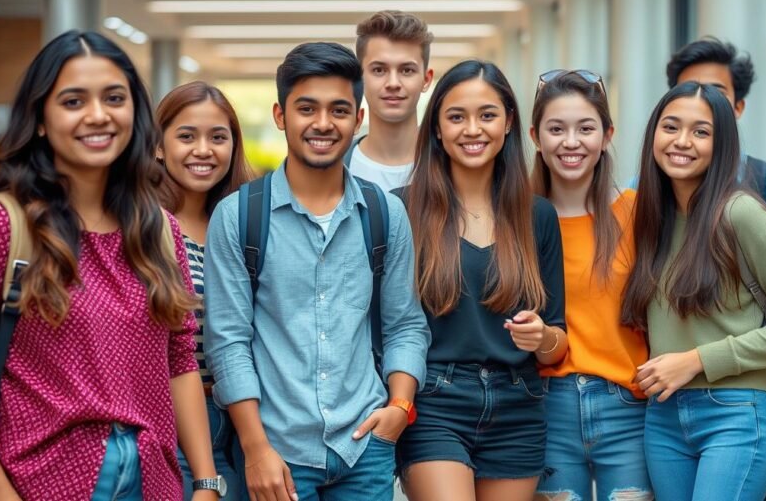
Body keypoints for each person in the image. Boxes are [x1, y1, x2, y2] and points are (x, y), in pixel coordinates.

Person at [0, 30, 220, 500]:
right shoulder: (3, 225)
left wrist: (206, 482)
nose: (98, 115)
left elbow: (179, 361)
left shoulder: (158, 229)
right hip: (42, 481)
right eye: (73, 101)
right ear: (39, 119)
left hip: (155, 482)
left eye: (114, 98)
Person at [204, 42, 431, 501]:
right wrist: (255, 450)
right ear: (280, 115)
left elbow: (405, 324)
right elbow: (227, 340)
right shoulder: (238, 216)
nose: (323, 124)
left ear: (358, 118)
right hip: (275, 451)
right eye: (307, 108)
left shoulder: (384, 213)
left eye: (339, 110)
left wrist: (399, 408)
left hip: (363, 447)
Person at [622, 81, 766, 501]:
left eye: (701, 132)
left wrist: (698, 359)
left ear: (721, 146)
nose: (682, 141)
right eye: (671, 127)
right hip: (663, 417)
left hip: (736, 414)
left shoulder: (741, 212)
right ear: (653, 136)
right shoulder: (650, 217)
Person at [395, 60, 567, 501]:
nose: (473, 129)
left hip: (518, 404)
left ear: (509, 122)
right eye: (457, 117)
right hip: (434, 400)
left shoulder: (537, 216)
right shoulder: (402, 210)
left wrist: (541, 336)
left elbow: (558, 339)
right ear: (435, 128)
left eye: (487, 115)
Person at [528, 69, 652, 501]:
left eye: (586, 128)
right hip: (546, 407)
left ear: (607, 135)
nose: (571, 142)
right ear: (535, 137)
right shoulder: (515, 222)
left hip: (628, 407)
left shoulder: (638, 214)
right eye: (556, 129)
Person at [156, 80, 255, 499]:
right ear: (158, 146)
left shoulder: (247, 220)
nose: (203, 150)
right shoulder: (144, 226)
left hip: (251, 420)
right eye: (186, 136)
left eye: (218, 137)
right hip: (173, 422)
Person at [665, 38, 766, 247]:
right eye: (688, 91)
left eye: (716, 93)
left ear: (738, 107)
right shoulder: (642, 188)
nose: (699, 103)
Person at [347, 10, 434, 190]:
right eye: (379, 70)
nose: (393, 83)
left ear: (426, 79)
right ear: (359, 77)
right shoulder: (334, 169)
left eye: (407, 70)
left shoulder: (452, 167)